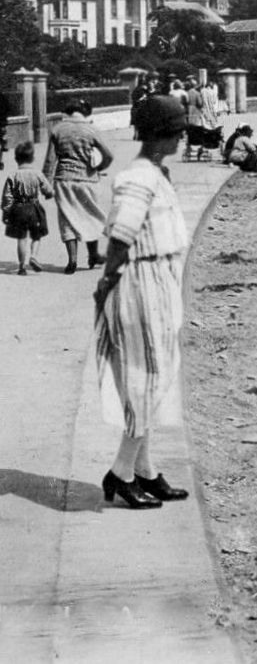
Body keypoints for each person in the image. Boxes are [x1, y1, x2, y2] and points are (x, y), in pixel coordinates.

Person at [93, 94, 192, 510]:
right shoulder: (137, 177)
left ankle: (145, 471)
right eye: (177, 132)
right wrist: (107, 282)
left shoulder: (156, 173)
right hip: (139, 283)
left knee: (158, 376)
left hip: (160, 281)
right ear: (160, 135)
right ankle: (121, 471)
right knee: (145, 380)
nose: (182, 139)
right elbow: (119, 237)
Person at [42, 98, 115, 274]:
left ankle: (72, 261)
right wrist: (99, 167)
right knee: (90, 215)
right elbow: (109, 155)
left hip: (64, 179)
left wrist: (46, 185)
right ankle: (93, 255)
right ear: (84, 112)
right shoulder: (91, 129)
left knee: (67, 218)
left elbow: (50, 160)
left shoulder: (58, 129)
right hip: (87, 179)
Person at [2, 141, 53, 275]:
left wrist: (6, 212)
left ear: (16, 159)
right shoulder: (37, 174)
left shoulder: (13, 175)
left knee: (21, 238)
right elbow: (47, 189)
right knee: (36, 236)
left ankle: (21, 266)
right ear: (32, 158)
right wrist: (49, 194)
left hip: (18, 208)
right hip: (34, 207)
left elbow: (7, 196)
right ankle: (34, 256)